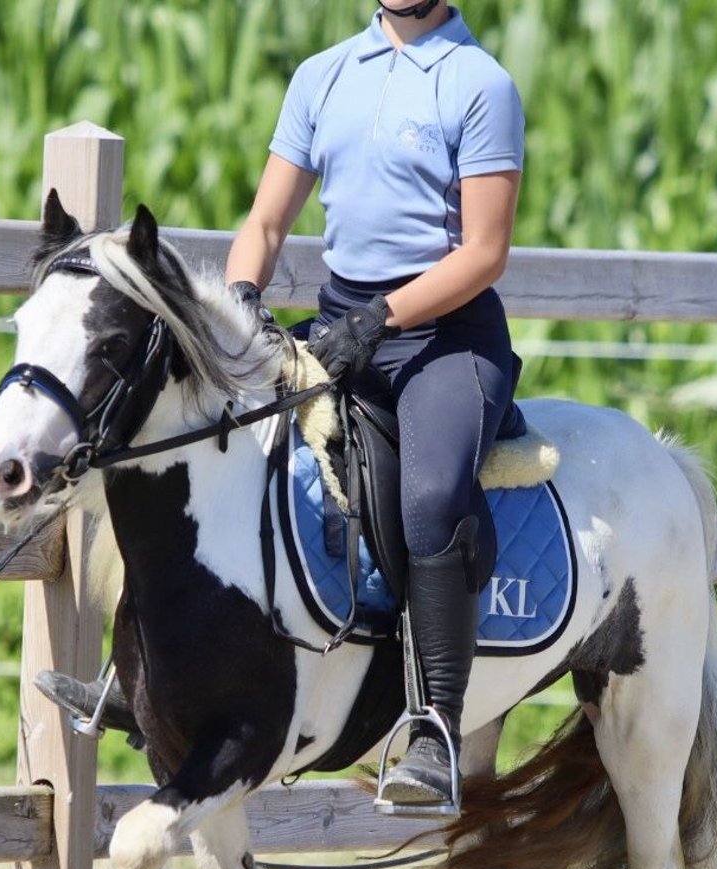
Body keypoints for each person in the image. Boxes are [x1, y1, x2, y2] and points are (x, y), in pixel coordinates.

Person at [227, 1, 524, 808]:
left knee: (431, 499)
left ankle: (435, 725)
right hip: (342, 323)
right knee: (223, 443)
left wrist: (381, 318)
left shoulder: (478, 84)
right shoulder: (322, 75)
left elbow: (486, 252)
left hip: (445, 340)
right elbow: (264, 218)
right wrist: (241, 295)